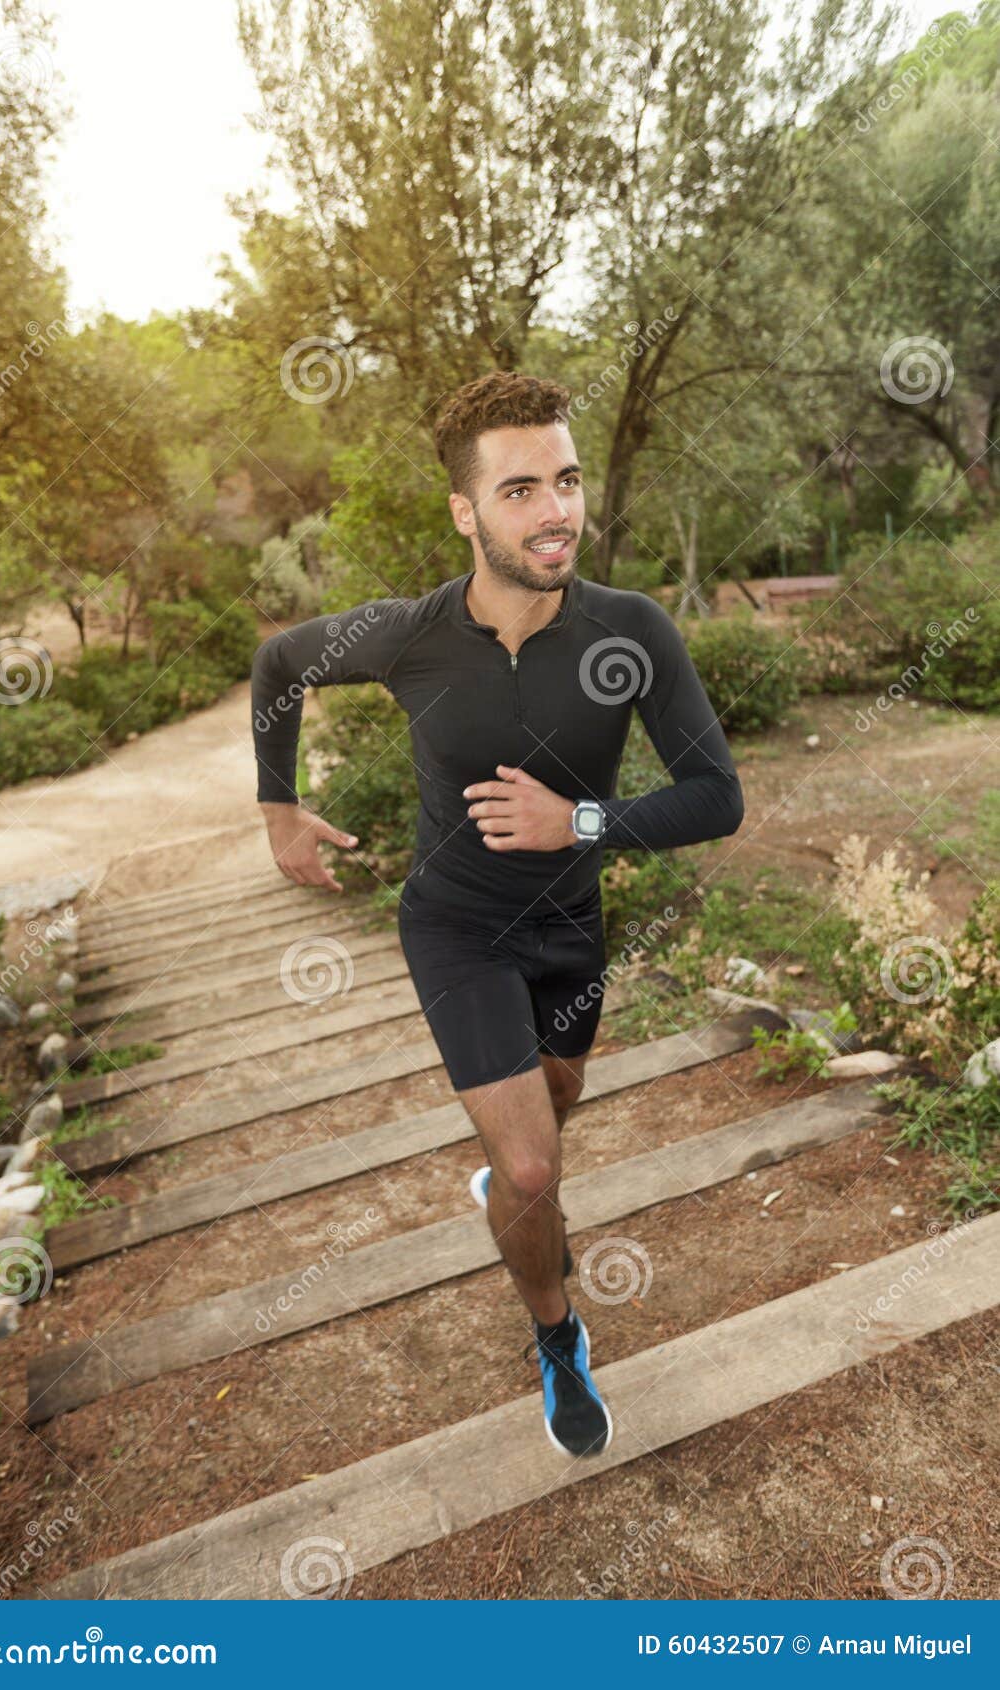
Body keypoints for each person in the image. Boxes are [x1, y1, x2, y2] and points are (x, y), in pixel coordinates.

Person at [250, 370, 744, 1458]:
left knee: (549, 1116)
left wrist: (580, 825)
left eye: (563, 481)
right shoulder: (408, 636)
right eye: (519, 489)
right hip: (454, 925)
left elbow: (716, 796)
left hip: (571, 932)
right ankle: (557, 1333)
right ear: (464, 511)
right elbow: (279, 661)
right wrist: (279, 807)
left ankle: (510, 1172)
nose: (555, 510)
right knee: (532, 1170)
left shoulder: (632, 630)